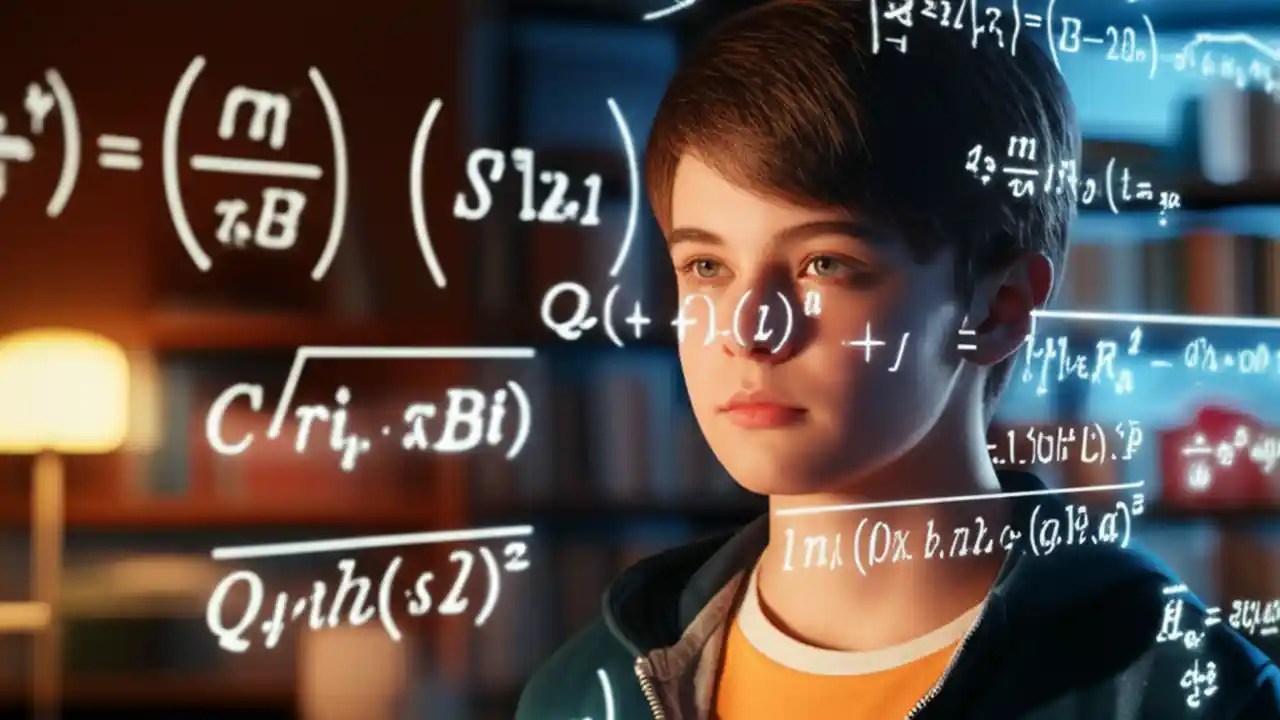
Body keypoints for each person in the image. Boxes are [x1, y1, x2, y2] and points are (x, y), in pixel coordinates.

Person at [516, 1, 1280, 717]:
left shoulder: (1189, 697)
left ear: (1000, 307)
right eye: (706, 267)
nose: (746, 329)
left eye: (825, 263)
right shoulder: (581, 694)